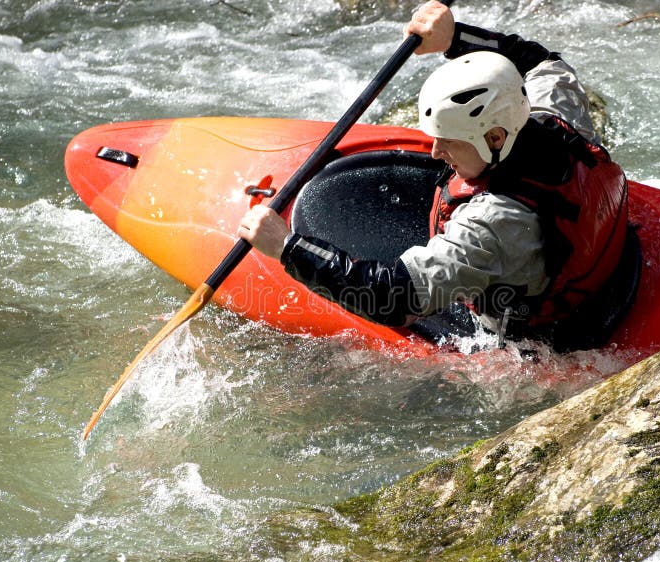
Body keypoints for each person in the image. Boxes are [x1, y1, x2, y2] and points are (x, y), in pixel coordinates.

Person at [238, 1, 631, 349]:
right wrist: (453, 38)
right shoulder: (555, 118)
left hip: (543, 331)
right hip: (608, 268)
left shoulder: (491, 226)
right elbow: (539, 61)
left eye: (449, 141)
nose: (435, 152)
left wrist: (287, 248)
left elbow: (391, 298)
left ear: (495, 136)